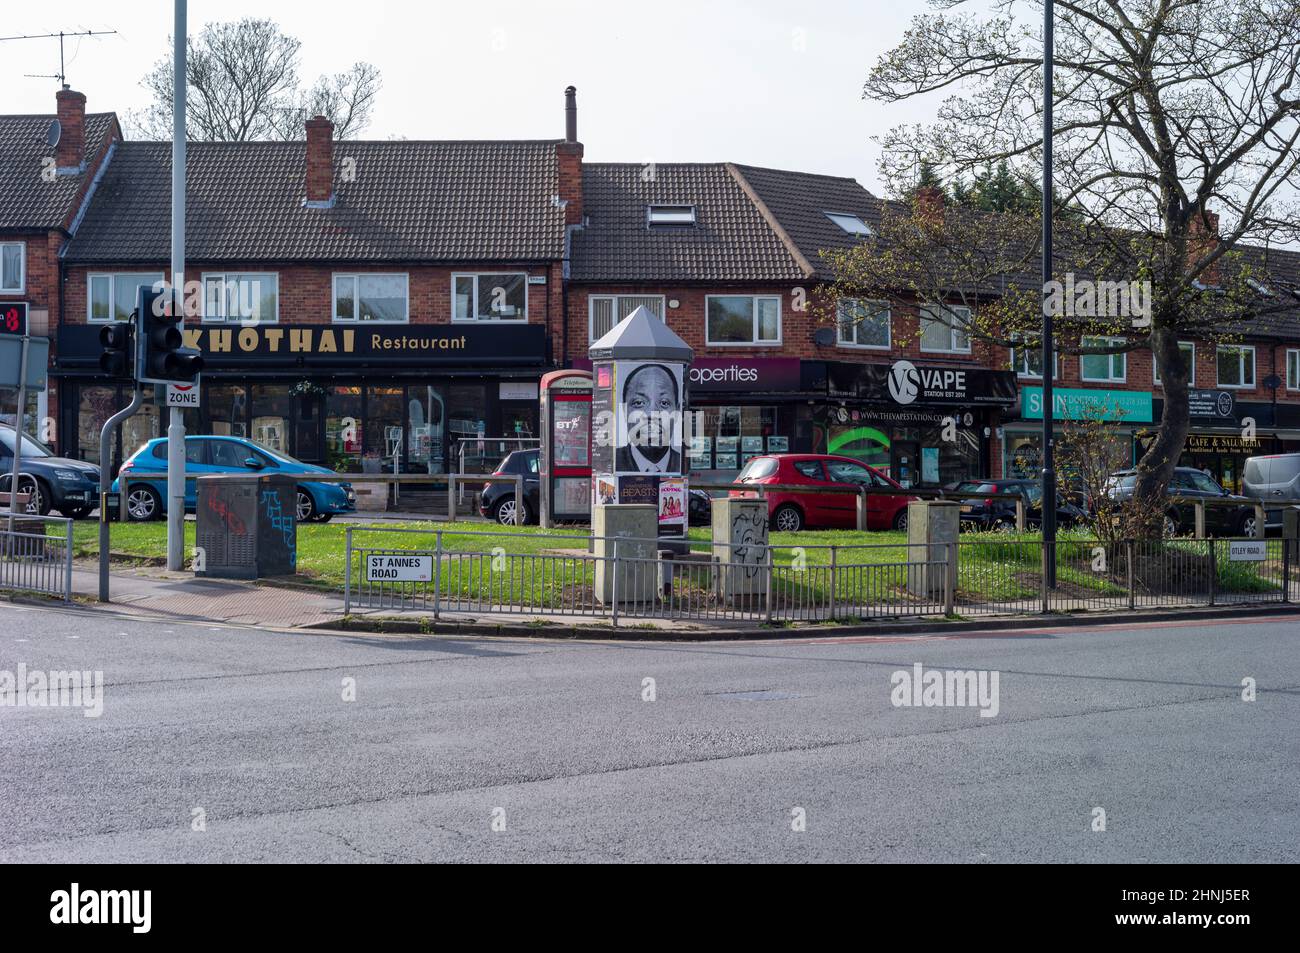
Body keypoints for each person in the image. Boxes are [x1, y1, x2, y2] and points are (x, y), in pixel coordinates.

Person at [615, 363, 681, 473]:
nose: (652, 414)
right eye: (639, 403)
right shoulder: (613, 463)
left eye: (664, 403)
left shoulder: (682, 464)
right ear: (624, 411)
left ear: (677, 411)